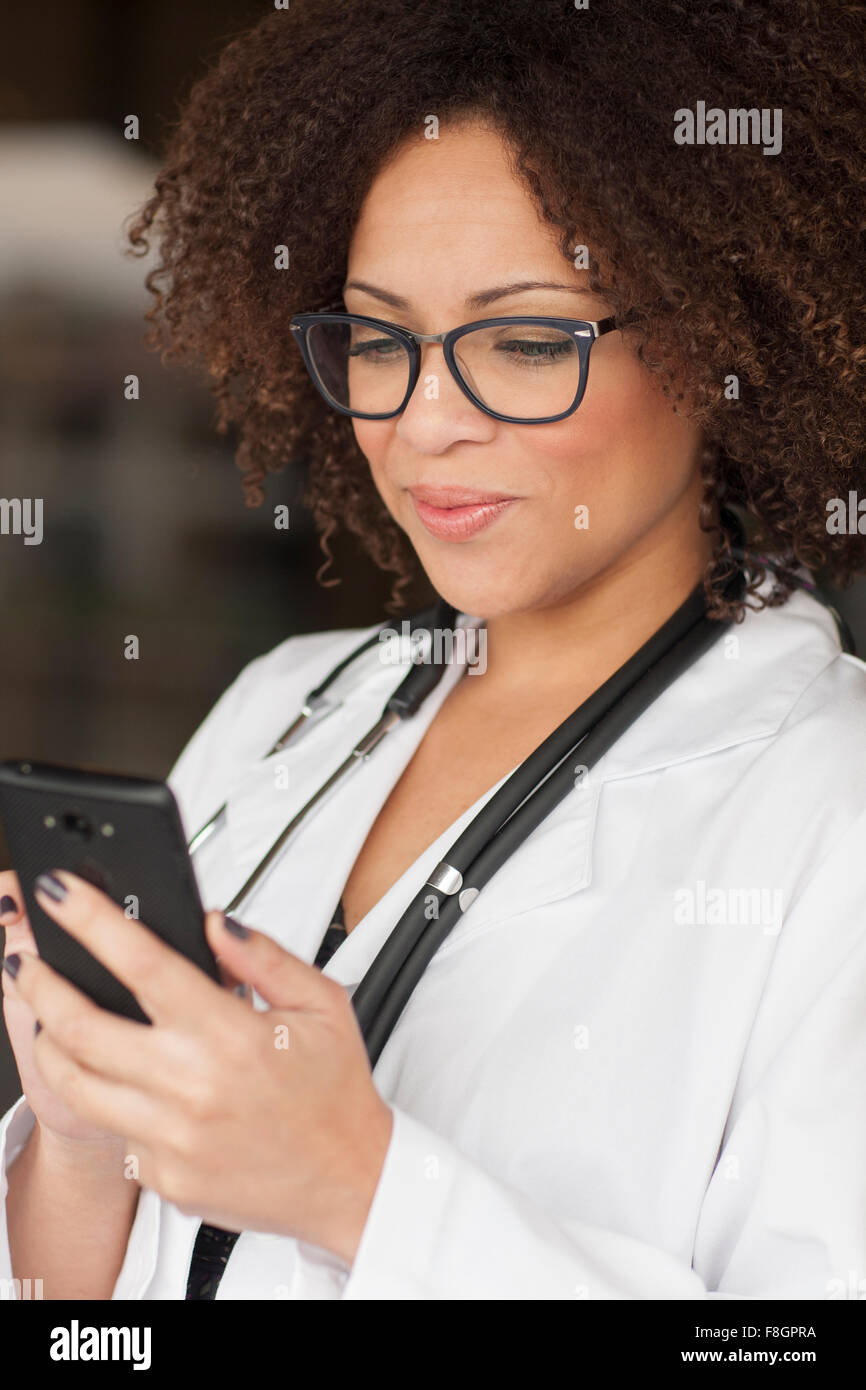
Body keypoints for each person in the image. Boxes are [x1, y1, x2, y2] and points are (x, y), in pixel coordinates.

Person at [1, 0, 865, 1300]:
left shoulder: (829, 811)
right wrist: (83, 1130)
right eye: (377, 338)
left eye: (522, 341)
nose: (423, 419)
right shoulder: (283, 708)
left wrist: (358, 1186)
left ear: (716, 341)